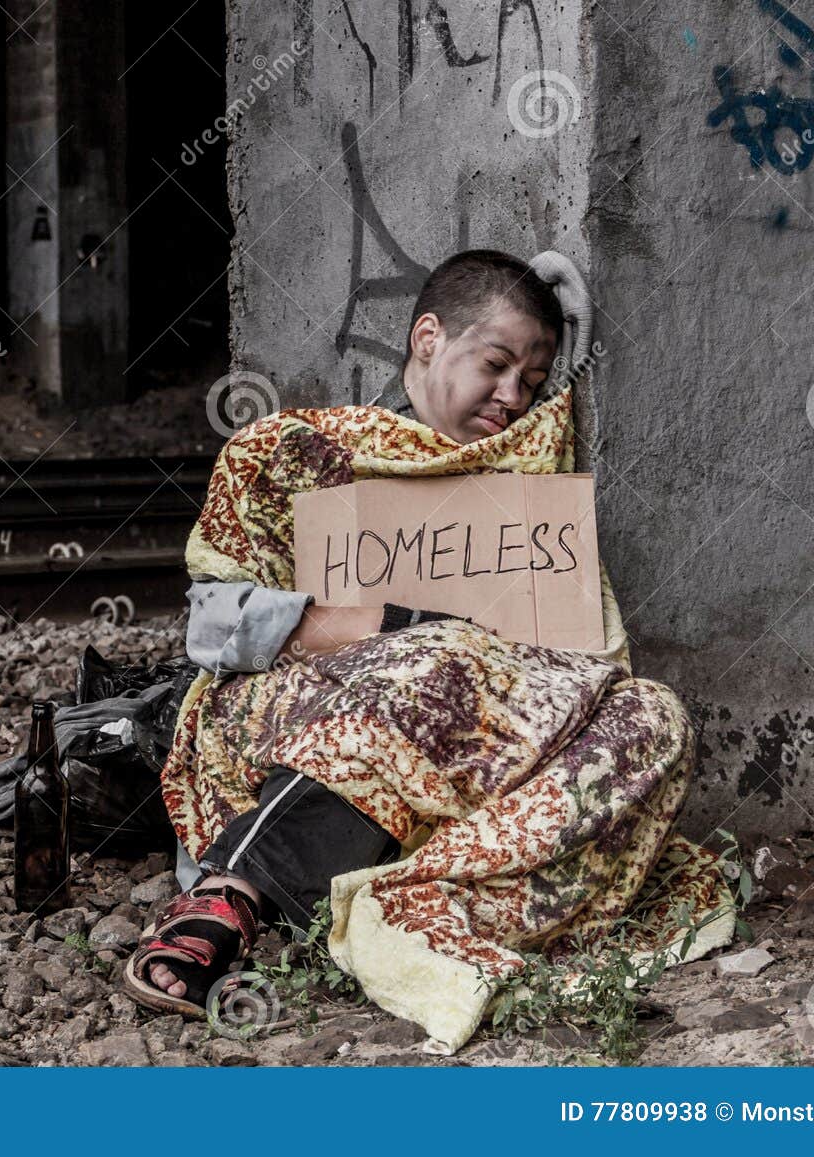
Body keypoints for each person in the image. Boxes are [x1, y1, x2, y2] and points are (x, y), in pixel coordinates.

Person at [121, 250, 736, 1050]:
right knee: (439, 657)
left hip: (478, 745)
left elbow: (571, 648)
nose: (513, 396)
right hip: (303, 720)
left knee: (652, 714)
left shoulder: (522, 471)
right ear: (427, 337)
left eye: (533, 378)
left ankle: (421, 899)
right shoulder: (298, 451)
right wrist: (387, 622)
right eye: (496, 364)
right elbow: (209, 628)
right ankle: (232, 890)